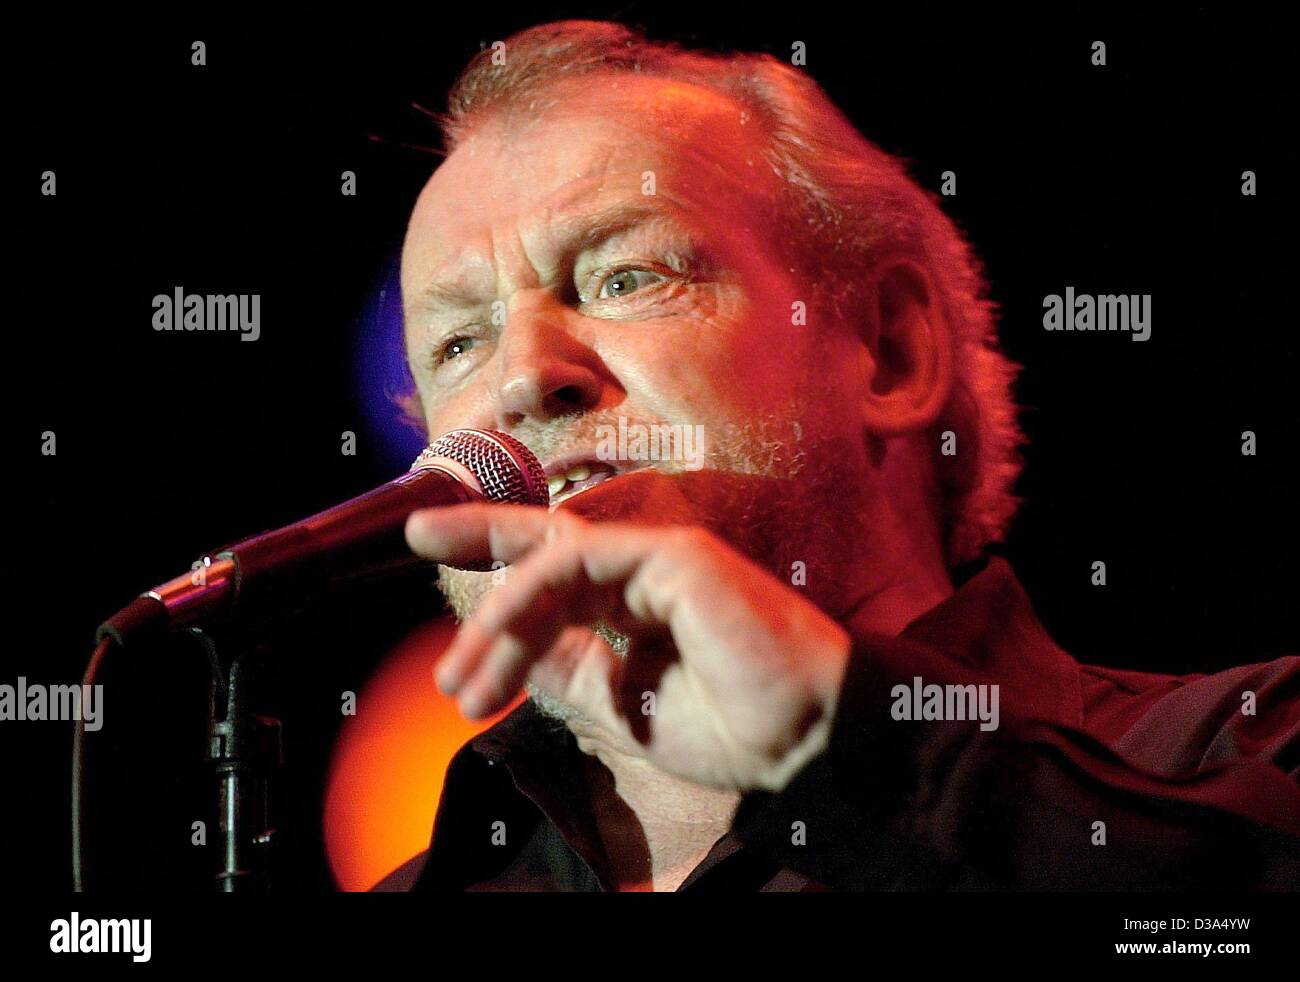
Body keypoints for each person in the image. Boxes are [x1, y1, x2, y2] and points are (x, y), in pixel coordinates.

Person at [373, 20, 1300, 891]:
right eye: (459, 345)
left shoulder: (1247, 748)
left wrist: (849, 744)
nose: (523, 378)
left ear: (890, 350)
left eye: (625, 277)